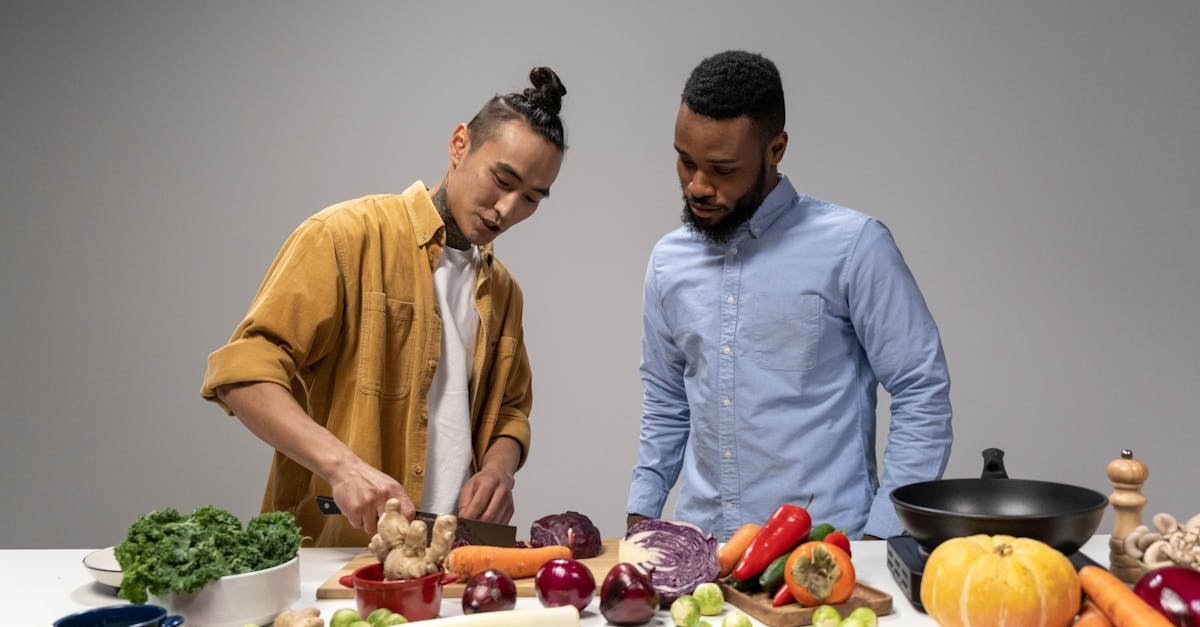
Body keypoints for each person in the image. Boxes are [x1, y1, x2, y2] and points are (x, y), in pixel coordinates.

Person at [201, 67, 568, 547]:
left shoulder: (503, 290)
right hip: (340, 556)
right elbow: (243, 374)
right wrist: (342, 467)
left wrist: (500, 469)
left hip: (453, 557)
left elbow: (511, 410)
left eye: (531, 198)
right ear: (460, 144)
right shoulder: (342, 236)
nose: (507, 209)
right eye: (503, 179)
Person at [625, 51, 952, 542]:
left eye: (721, 168)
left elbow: (920, 390)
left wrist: (883, 536)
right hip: (706, 550)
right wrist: (641, 517)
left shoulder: (855, 246)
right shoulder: (669, 260)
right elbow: (668, 398)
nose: (697, 185)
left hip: (827, 549)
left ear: (775, 149)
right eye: (685, 160)